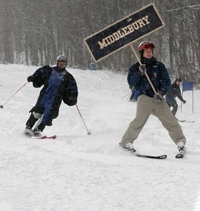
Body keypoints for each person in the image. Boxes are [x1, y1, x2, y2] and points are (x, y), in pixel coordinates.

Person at [119, 41, 187, 153]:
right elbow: (131, 83)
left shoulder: (159, 66)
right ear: (141, 52)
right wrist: (139, 74)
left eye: (150, 51)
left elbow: (166, 81)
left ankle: (180, 141)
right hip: (144, 97)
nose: (149, 53)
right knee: (139, 121)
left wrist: (162, 92)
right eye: (146, 51)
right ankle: (126, 142)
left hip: (158, 97)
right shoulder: (135, 67)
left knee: (170, 119)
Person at [24, 55, 78, 136]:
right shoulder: (49, 70)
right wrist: (33, 78)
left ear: (65, 64)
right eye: (60, 63)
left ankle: (38, 130)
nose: (61, 64)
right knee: (37, 111)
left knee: (49, 114)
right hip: (45, 95)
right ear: (57, 63)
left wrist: (72, 97)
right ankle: (28, 127)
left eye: (63, 63)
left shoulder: (68, 76)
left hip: (56, 98)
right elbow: (39, 73)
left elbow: (73, 87)